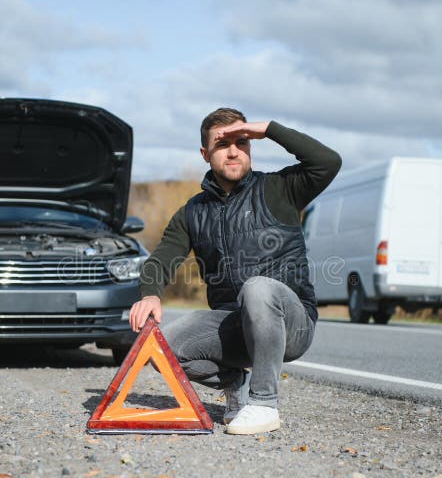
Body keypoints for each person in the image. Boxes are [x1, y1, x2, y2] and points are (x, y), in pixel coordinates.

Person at [128, 107, 341, 435]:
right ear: (204, 153)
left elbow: (328, 162)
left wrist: (268, 129)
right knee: (159, 348)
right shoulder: (192, 213)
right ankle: (236, 385)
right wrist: (150, 294)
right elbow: (161, 259)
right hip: (234, 327)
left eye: (241, 141)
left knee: (258, 287)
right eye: (222, 143)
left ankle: (264, 403)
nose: (233, 151)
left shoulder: (280, 189)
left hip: (291, 325)